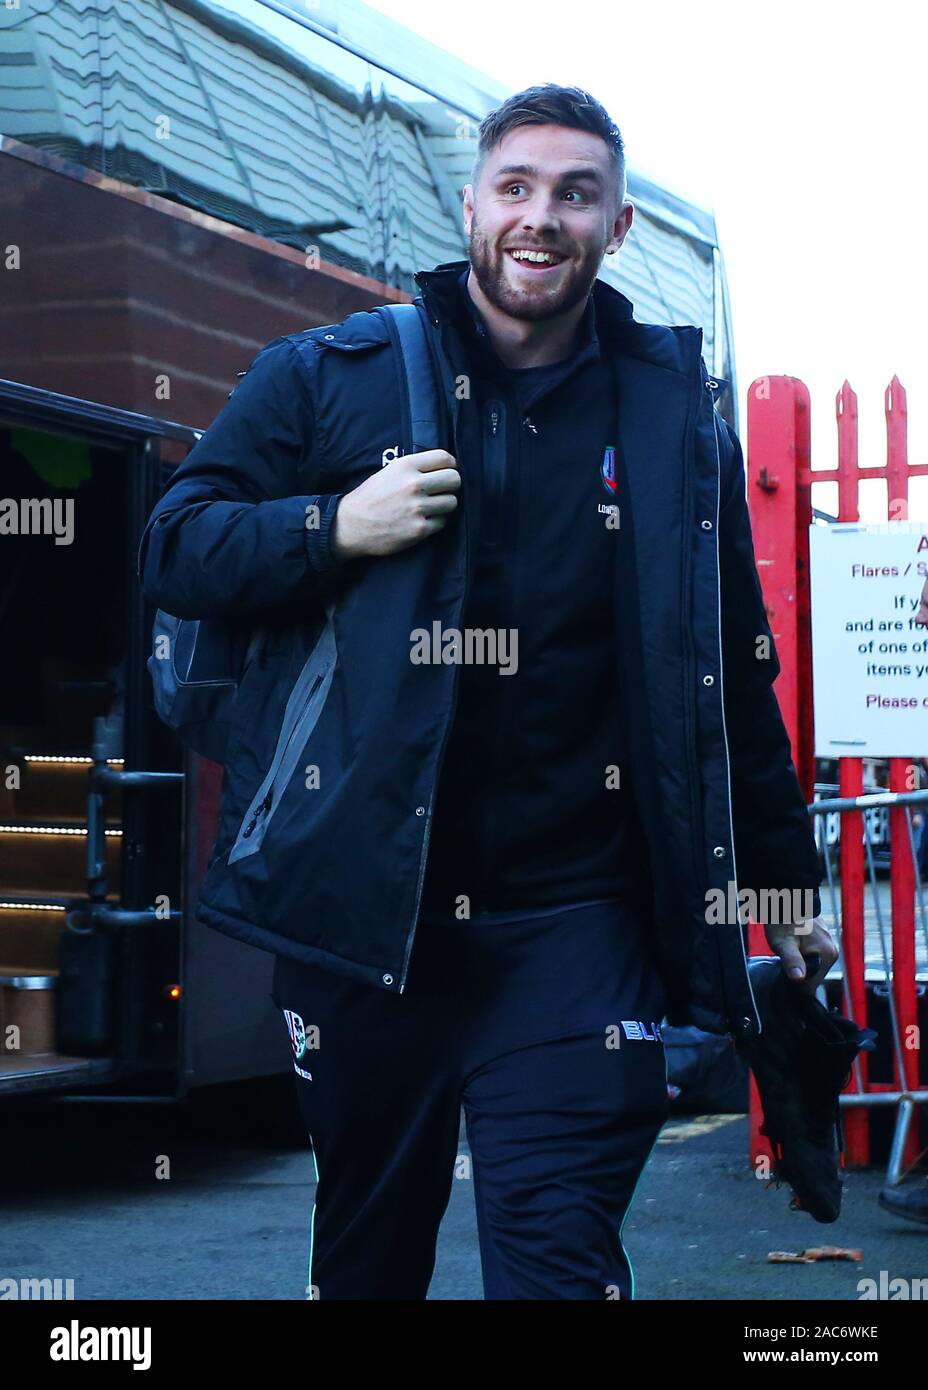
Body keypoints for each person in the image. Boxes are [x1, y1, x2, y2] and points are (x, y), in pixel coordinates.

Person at [138, 84, 836, 1300]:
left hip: (578, 926)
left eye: (576, 194)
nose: (541, 217)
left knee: (560, 1261)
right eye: (516, 187)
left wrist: (783, 888)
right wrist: (331, 526)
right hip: (368, 922)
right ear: (470, 205)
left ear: (616, 229)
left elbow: (727, 681)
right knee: (369, 1263)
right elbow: (175, 545)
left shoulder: (673, 424)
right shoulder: (332, 377)